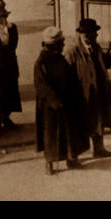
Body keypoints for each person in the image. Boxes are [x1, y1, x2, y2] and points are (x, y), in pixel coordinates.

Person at [64, 18, 111, 158]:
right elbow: (66, 74)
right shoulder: (73, 51)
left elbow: (101, 64)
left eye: (94, 33)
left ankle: (99, 149)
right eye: (88, 34)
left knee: (98, 120)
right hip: (82, 93)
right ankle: (73, 156)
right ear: (81, 35)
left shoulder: (96, 47)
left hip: (98, 90)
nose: (94, 36)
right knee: (80, 124)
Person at [34, 27, 85, 174]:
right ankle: (49, 163)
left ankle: (71, 158)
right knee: (50, 134)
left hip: (66, 101)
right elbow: (41, 85)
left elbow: (69, 76)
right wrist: (55, 101)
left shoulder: (59, 57)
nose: (63, 45)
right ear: (52, 45)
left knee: (68, 131)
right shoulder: (41, 62)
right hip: (50, 106)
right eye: (61, 42)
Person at [0, 2, 20, 129]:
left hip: (10, 64)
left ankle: (7, 117)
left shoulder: (12, 28)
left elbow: (14, 44)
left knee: (10, 91)